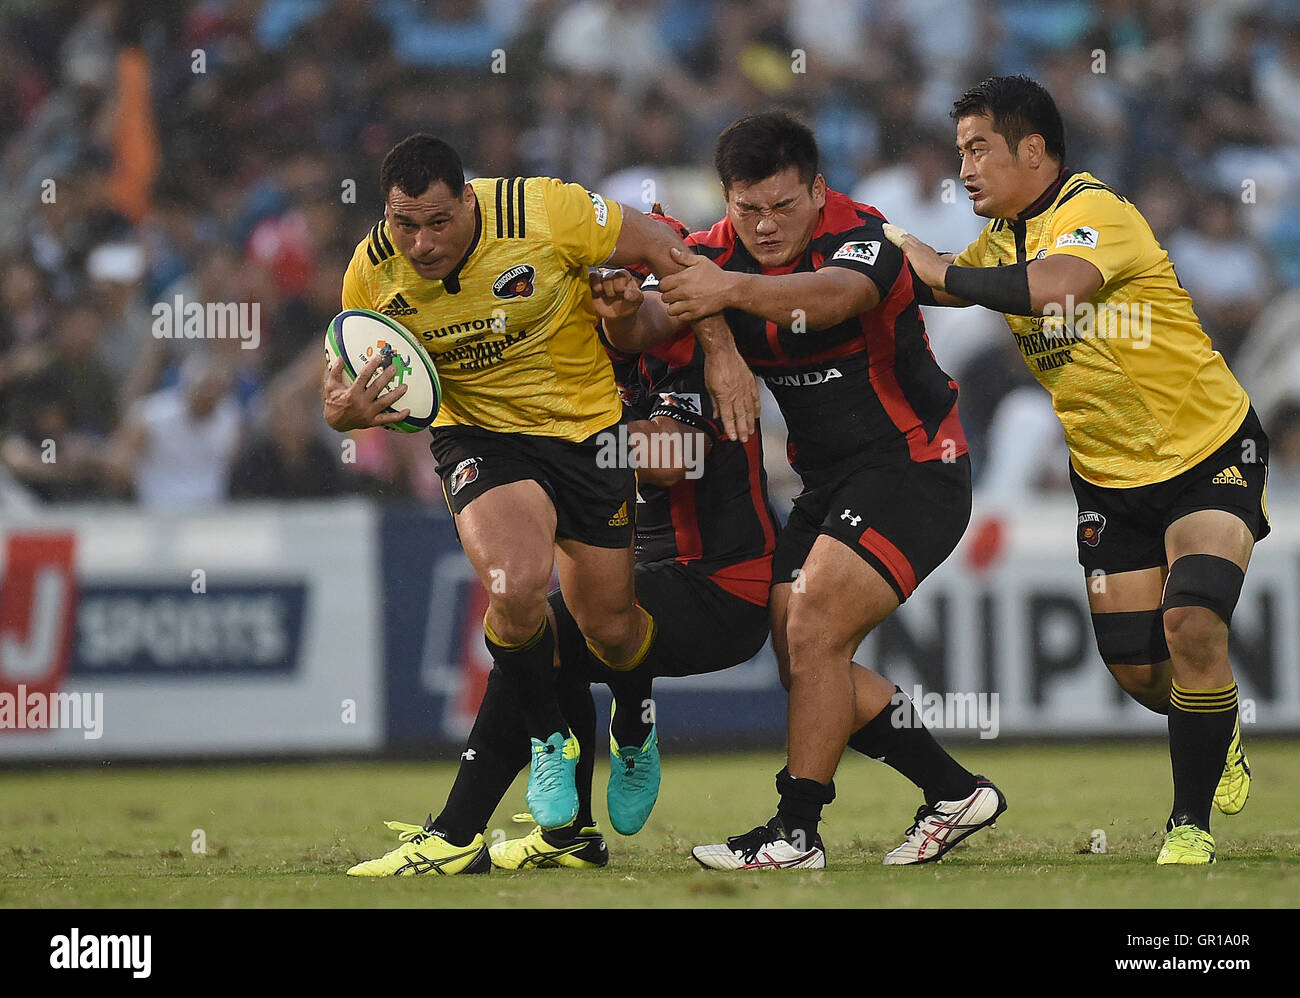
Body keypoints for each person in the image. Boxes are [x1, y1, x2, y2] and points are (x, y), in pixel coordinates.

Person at [325, 136, 758, 873]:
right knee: (515, 584)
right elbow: (343, 381)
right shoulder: (371, 271)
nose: (421, 243)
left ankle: (633, 723)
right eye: (404, 224)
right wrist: (342, 413)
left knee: (611, 628)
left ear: (471, 201)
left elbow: (659, 244)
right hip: (479, 439)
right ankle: (548, 737)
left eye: (437, 222)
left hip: (587, 433)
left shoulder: (545, 209)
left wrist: (721, 350)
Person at [602, 112, 1006, 870]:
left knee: (815, 625)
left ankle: (795, 833)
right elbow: (652, 325)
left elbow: (830, 298)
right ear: (727, 199)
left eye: (784, 206)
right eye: (747, 209)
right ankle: (954, 793)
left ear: (818, 192)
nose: (764, 225)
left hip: (917, 466)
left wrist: (721, 289)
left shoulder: (866, 234)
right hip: (831, 481)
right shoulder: (715, 254)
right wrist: (628, 312)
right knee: (802, 658)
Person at [887, 75, 1268, 866]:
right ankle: (1216, 714)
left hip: (1207, 453)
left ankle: (1188, 827)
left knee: (1192, 619)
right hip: (1107, 477)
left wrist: (939, 270)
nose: (965, 169)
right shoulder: (1001, 241)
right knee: (1141, 674)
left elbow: (1053, 289)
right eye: (959, 152)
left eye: (979, 148)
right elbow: (923, 277)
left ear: (1035, 150)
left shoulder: (1096, 212)